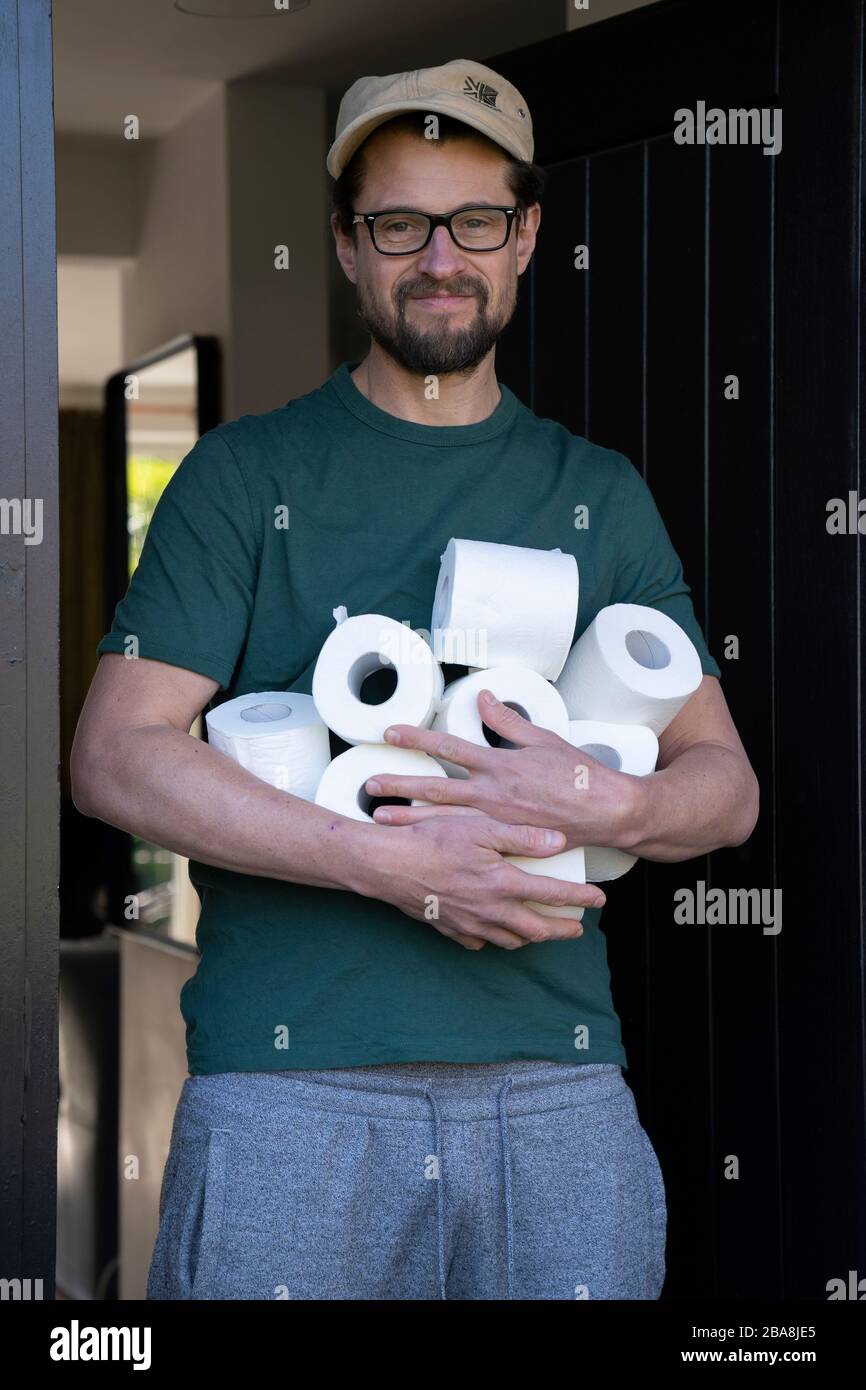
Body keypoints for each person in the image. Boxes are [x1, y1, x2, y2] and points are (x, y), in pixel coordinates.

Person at [71, 58, 759, 1301]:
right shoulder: (242, 478)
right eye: (398, 223)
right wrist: (387, 865)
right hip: (292, 1095)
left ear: (527, 236)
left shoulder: (596, 493)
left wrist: (617, 807)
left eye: (476, 221)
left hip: (556, 1093)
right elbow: (116, 753)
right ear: (345, 246)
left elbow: (726, 787)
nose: (439, 256)